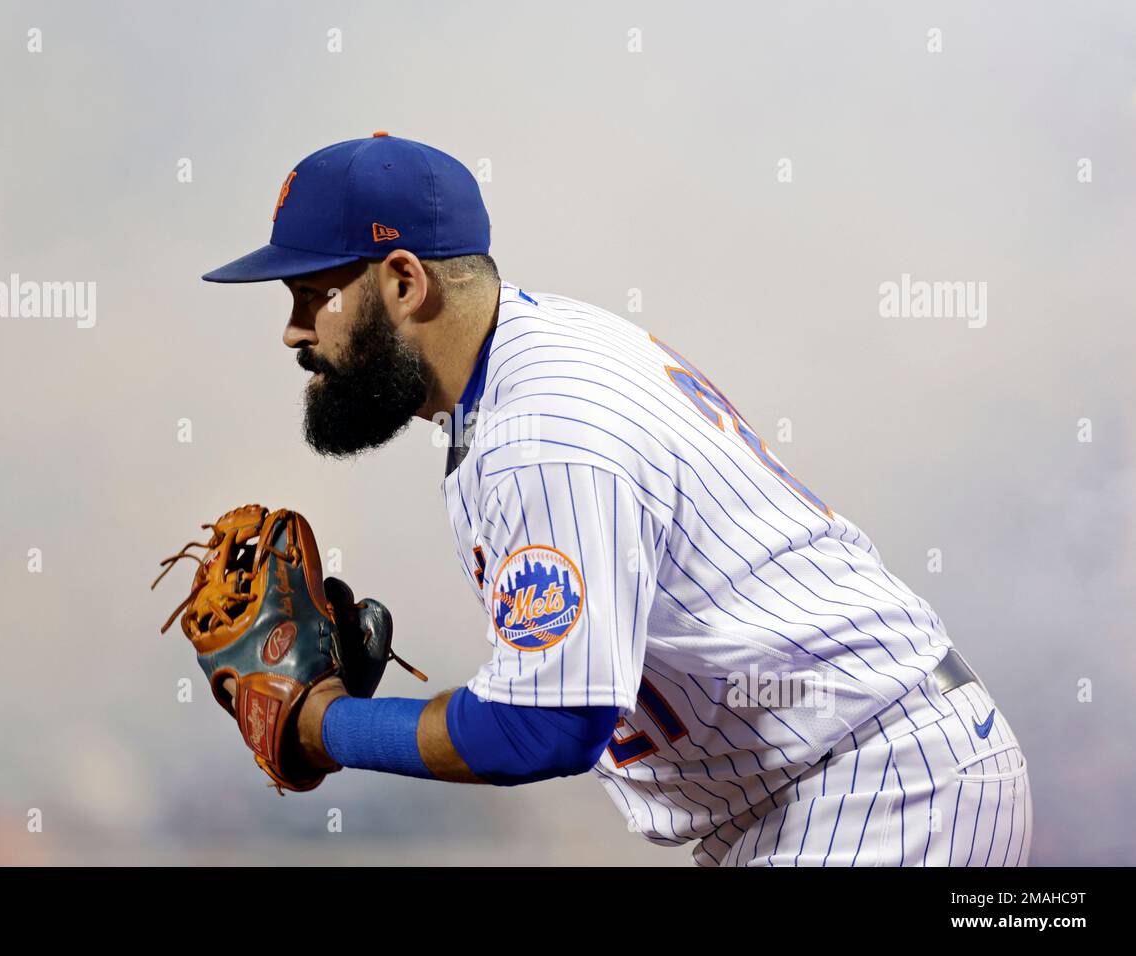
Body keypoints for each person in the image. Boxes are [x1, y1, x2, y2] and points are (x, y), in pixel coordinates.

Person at [201, 132, 1032, 866]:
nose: (295, 330)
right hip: (832, 785)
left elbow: (543, 728)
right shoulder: (514, 365)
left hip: (878, 790)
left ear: (405, 282)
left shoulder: (543, 430)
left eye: (315, 295)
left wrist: (323, 724)